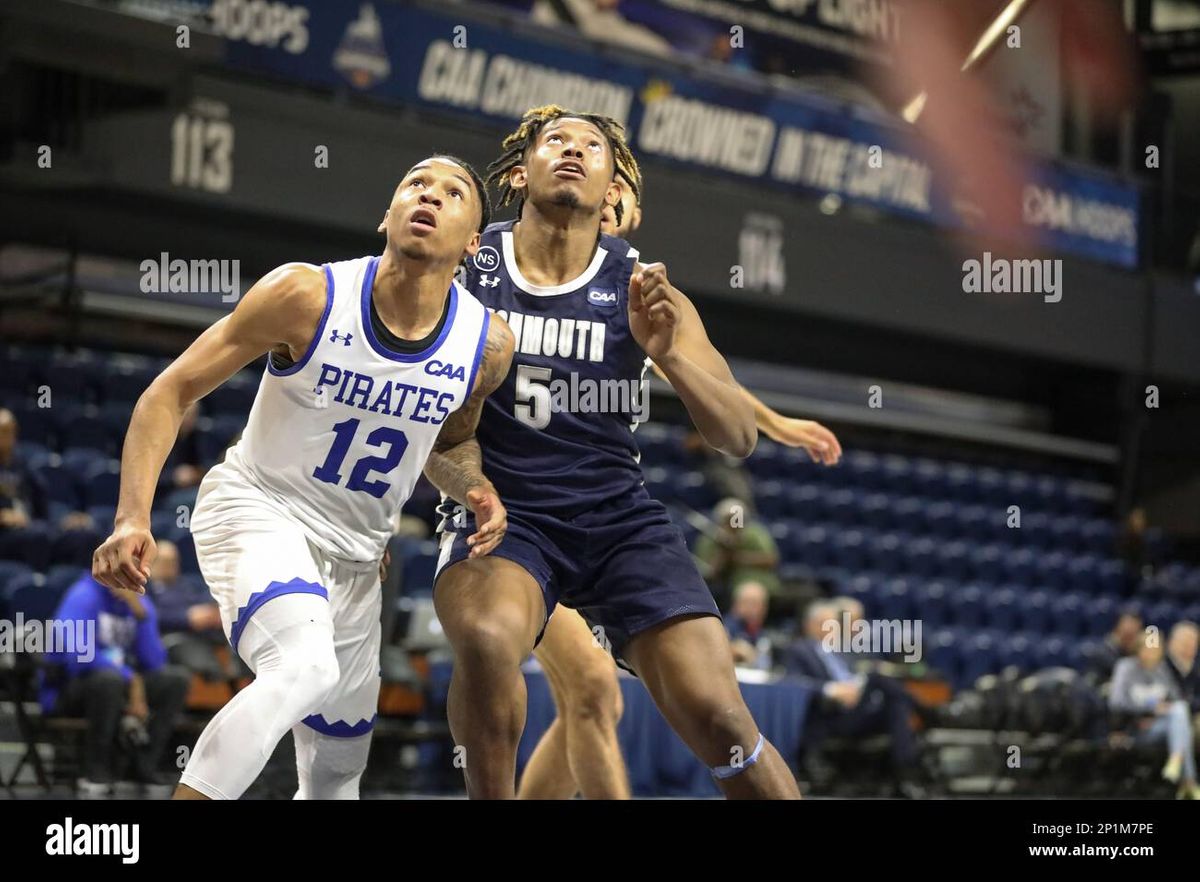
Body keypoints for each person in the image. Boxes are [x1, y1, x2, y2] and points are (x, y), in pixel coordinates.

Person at [93, 155, 515, 800]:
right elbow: (169, 392)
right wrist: (132, 516)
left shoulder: (486, 345)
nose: (428, 196)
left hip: (357, 560)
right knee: (302, 666)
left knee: (336, 778)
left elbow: (450, 442)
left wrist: (473, 488)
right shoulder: (306, 294)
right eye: (414, 185)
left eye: (453, 192)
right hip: (260, 509)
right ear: (387, 215)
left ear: (473, 245)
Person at [427, 104, 801, 799]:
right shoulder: (467, 267)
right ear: (520, 171)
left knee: (719, 716)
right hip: (510, 516)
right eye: (557, 141)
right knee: (485, 640)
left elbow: (736, 436)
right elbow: (423, 409)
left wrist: (669, 358)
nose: (573, 151)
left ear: (614, 190)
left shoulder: (641, 285)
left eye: (592, 147)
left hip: (616, 519)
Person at [514, 161, 841, 800]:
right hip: (521, 520)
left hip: (596, 521)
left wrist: (773, 423)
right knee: (591, 690)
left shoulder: (625, 301)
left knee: (592, 697)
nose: (606, 217)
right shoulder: (517, 278)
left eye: (620, 211)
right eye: (603, 206)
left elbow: (698, 379)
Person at [41, 571, 190, 794]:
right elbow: (79, 657)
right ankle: (95, 770)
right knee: (108, 681)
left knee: (175, 680)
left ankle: (142, 766)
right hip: (69, 689)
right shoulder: (82, 596)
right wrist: (130, 678)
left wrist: (141, 616)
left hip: (120, 685)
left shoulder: (137, 600)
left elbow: (155, 662)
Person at [783, 601, 924, 797]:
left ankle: (905, 772)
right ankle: (926, 713)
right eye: (829, 623)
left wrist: (857, 683)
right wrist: (830, 689)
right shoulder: (800, 650)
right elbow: (792, 683)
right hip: (831, 713)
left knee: (895, 705)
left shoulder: (842, 649)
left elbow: (855, 674)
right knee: (878, 677)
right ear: (812, 624)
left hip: (857, 706)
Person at [1109, 630, 1199, 799]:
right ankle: (1188, 779)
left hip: (1159, 726)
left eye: (1156, 649)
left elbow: (1177, 699)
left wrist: (1163, 709)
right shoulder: (1126, 667)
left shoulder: (1161, 670)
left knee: (1180, 711)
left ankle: (1176, 761)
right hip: (1135, 727)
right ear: (1139, 648)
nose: (1152, 652)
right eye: (1148, 648)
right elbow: (1117, 701)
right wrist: (1149, 709)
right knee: (1183, 725)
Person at [725, 580, 773, 670]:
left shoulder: (762, 633)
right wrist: (734, 648)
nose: (751, 608)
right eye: (747, 602)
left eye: (756, 604)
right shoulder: (724, 625)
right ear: (736, 604)